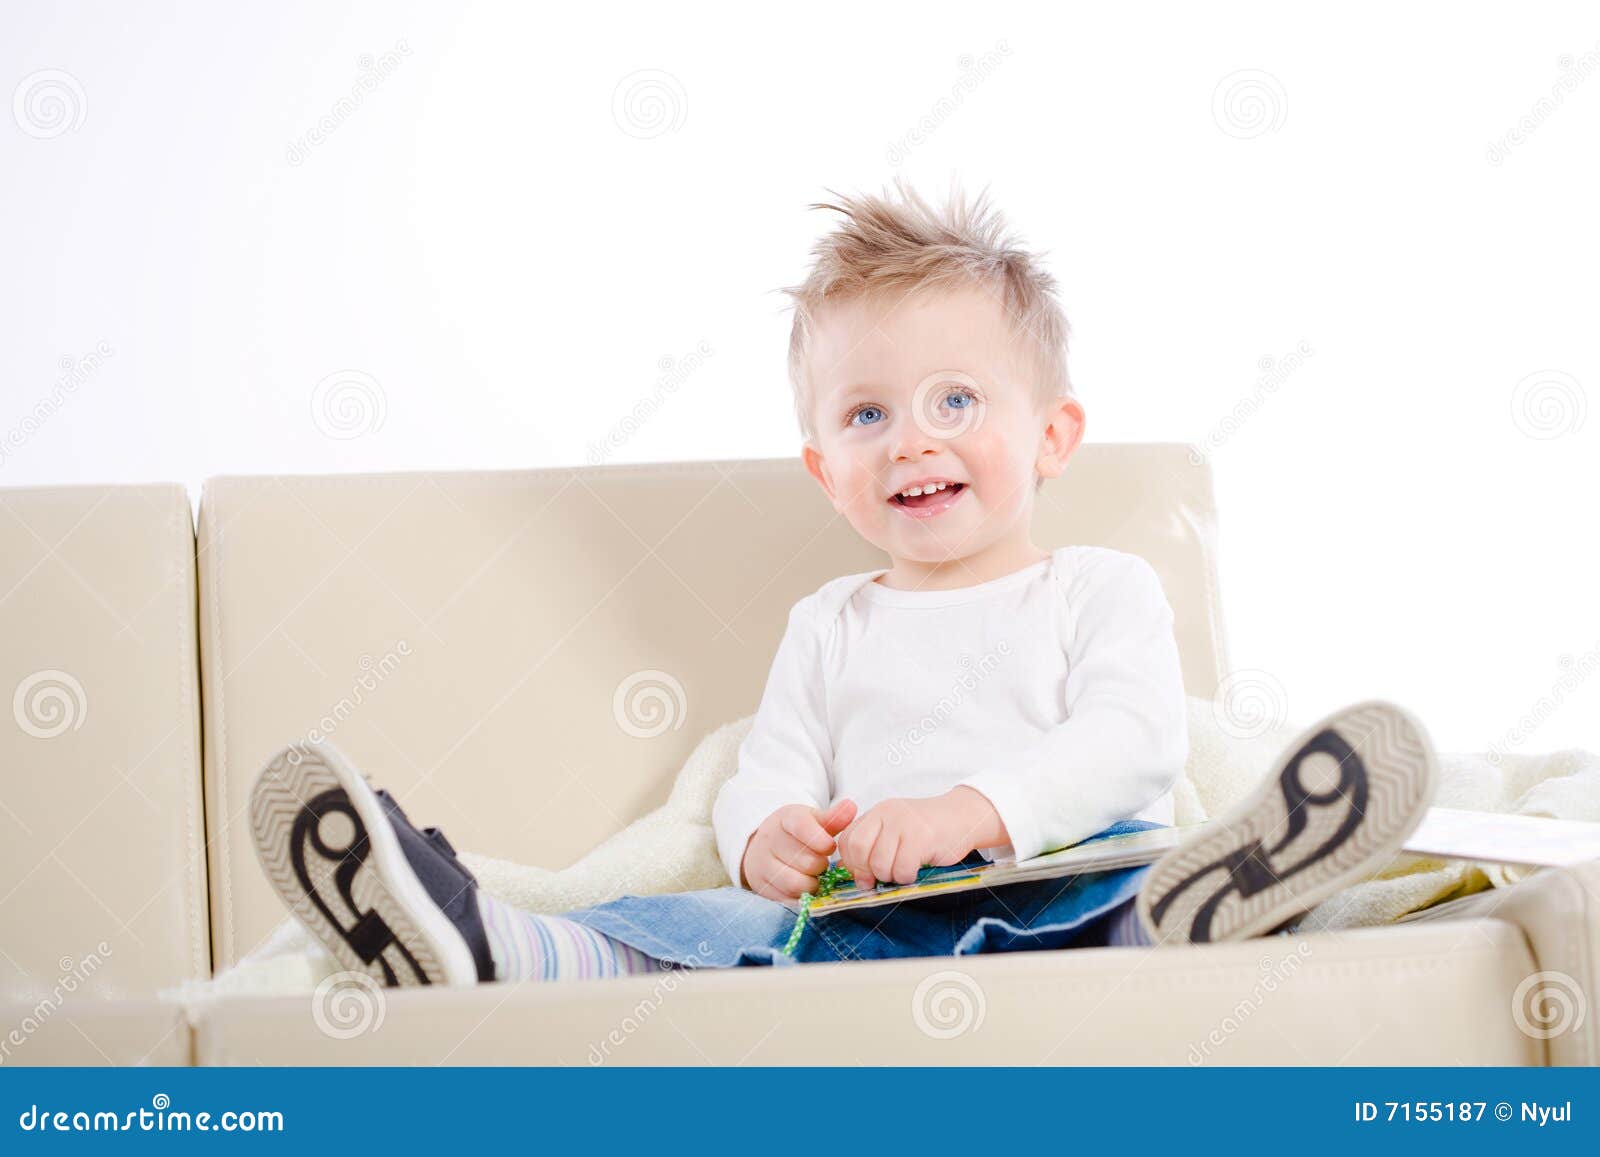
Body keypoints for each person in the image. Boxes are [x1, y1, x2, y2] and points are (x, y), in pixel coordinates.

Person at [247, 181, 1438, 986]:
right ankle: (487, 943)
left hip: (1065, 881)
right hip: (865, 920)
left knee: (1120, 889)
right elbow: (777, 756)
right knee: (701, 930)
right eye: (867, 414)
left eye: (956, 401)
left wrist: (966, 809)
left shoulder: (1095, 588)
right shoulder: (831, 622)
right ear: (826, 469)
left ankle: (1209, 906)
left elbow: (1134, 741)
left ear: (1052, 435)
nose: (911, 442)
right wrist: (763, 829)